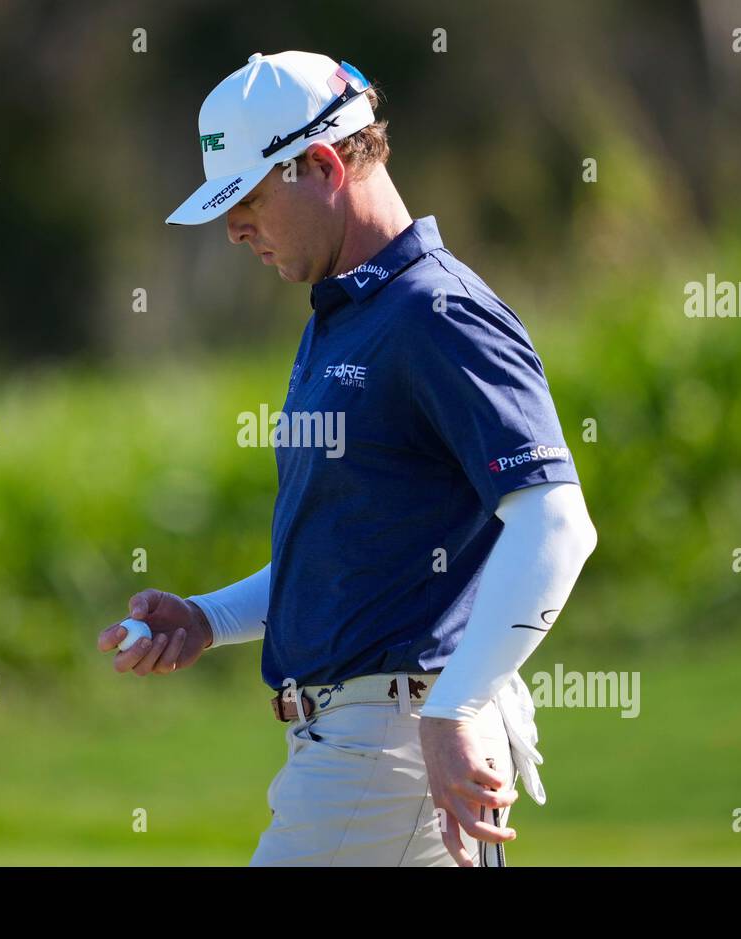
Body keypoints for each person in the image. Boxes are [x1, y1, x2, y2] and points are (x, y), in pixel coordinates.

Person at [97, 51, 597, 866]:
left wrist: (454, 709)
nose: (235, 229)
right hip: (378, 739)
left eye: (249, 199)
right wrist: (208, 619)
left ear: (325, 166)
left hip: (390, 743)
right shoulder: (343, 320)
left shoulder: (438, 312)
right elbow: (353, 556)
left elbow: (557, 522)